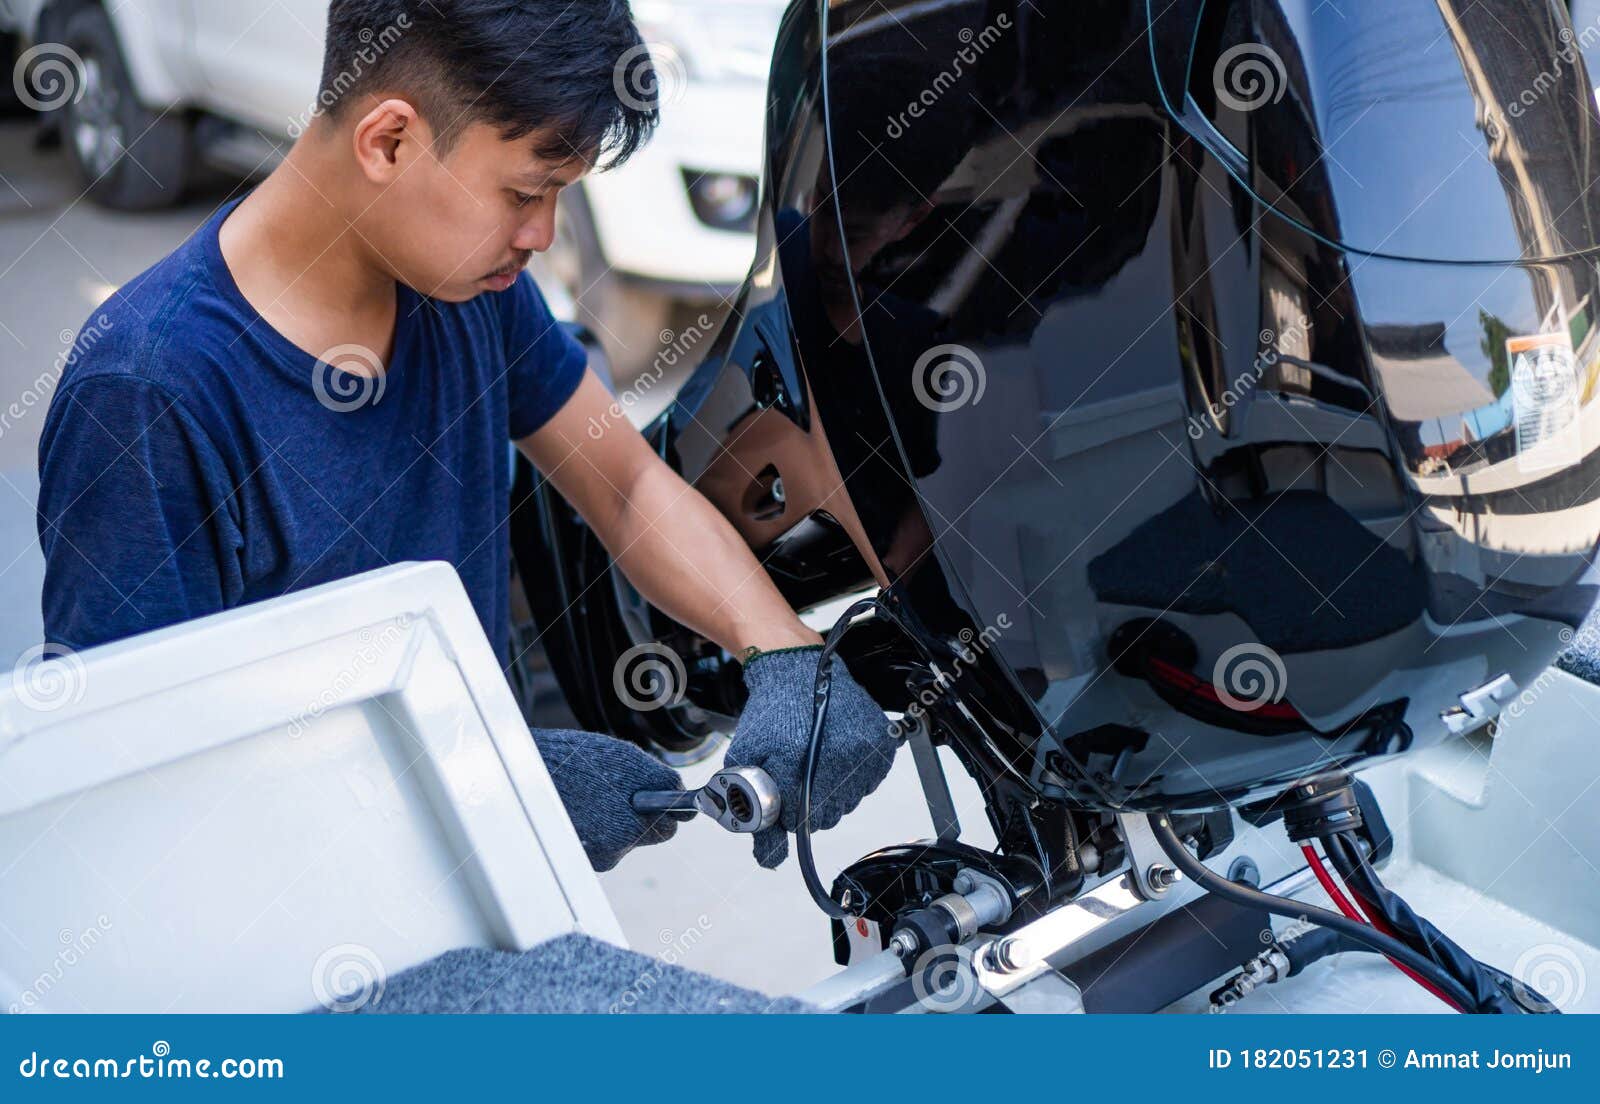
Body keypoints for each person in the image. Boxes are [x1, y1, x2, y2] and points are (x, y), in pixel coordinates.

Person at [35, 0, 896, 873]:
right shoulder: (148, 395)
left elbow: (624, 483)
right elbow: (145, 794)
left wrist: (789, 657)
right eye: (525, 193)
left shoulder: (471, 292)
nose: (543, 235)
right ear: (390, 142)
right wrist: (475, 783)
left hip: (488, 873)